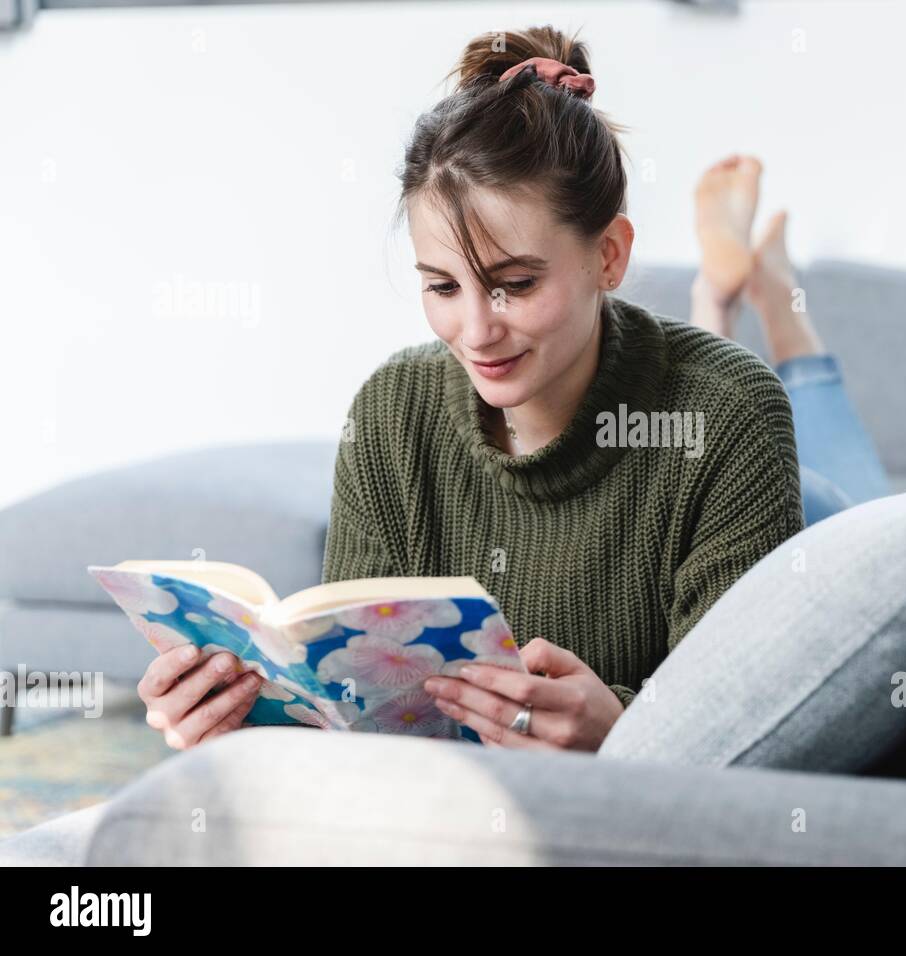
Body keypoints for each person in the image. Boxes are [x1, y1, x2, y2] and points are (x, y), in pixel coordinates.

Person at [134, 26, 806, 754]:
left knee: (834, 481)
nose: (477, 331)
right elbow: (356, 723)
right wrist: (234, 723)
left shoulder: (730, 413)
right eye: (442, 286)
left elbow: (755, 731)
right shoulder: (393, 413)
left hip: (776, 478)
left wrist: (620, 730)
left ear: (608, 256)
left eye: (515, 285)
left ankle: (747, 299)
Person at [687, 154, 892, 523]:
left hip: (732, 498)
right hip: (841, 534)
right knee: (871, 518)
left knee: (708, 468)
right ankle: (767, 298)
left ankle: (716, 300)